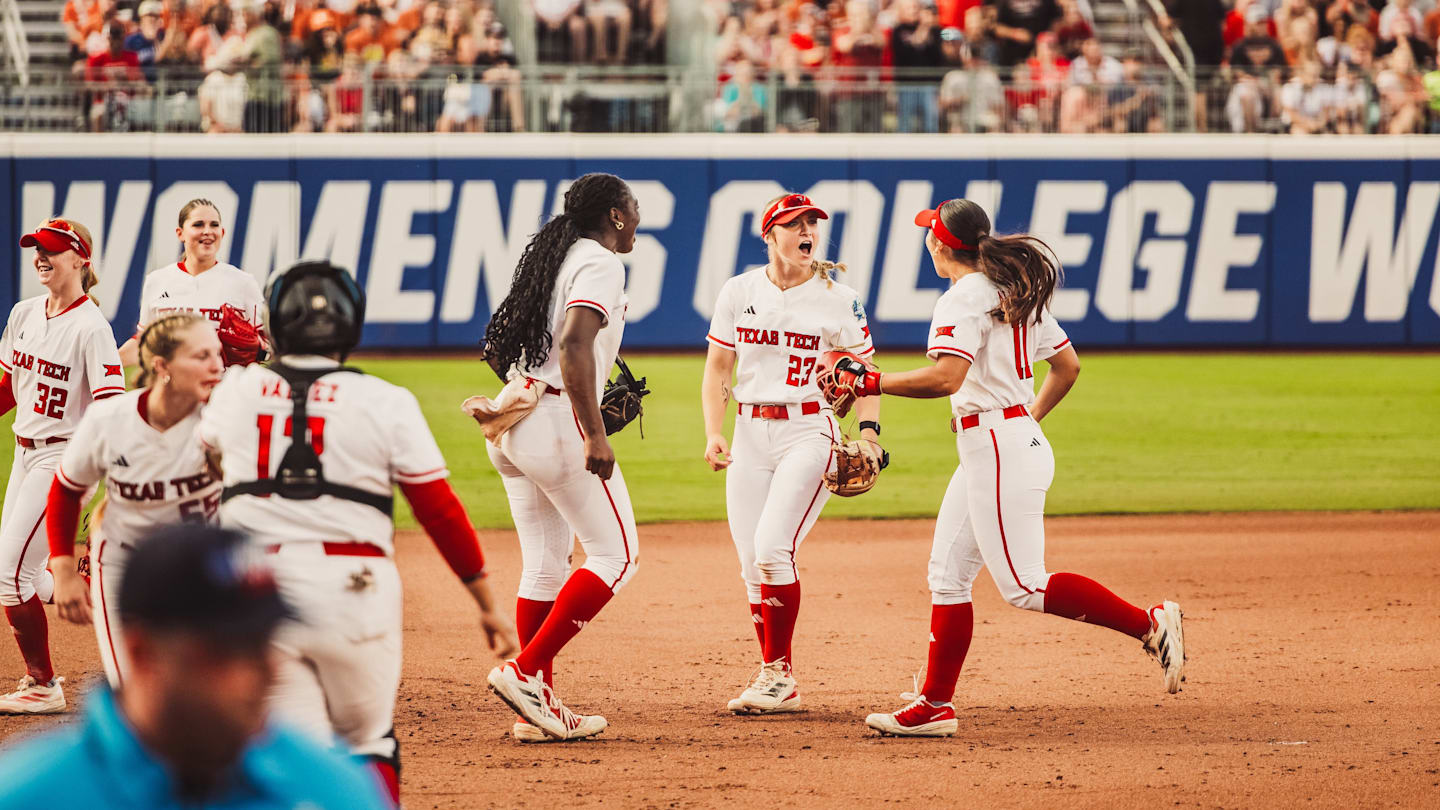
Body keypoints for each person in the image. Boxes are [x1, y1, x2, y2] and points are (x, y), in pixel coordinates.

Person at [815, 199, 1186, 737]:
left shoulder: (962, 299)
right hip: (1000, 442)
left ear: (942, 245)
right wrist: (1023, 417)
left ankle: (1150, 623)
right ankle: (935, 705)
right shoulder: (1012, 291)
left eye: (929, 234)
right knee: (947, 575)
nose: (927, 242)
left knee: (1023, 585)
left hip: (998, 448)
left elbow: (946, 377)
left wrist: (872, 381)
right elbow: (1068, 365)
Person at [198, 260, 518, 801]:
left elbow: (211, 464)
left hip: (256, 593)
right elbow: (437, 509)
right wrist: (485, 602)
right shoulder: (385, 400)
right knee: (366, 742)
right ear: (352, 323)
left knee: (290, 752)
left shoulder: (236, 390)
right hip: (353, 588)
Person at [0, 524, 392, 809]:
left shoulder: (336, 790)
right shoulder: (28, 794)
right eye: (228, 652)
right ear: (141, 653)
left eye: (264, 643)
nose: (267, 673)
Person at [700, 193, 880, 715]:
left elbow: (867, 376)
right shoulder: (739, 291)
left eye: (812, 224)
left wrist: (868, 434)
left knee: (773, 547)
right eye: (795, 224)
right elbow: (717, 370)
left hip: (808, 429)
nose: (808, 232)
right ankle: (774, 675)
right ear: (770, 234)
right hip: (750, 433)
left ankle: (777, 675)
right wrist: (714, 432)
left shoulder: (837, 298)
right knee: (750, 563)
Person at [480, 172, 641, 742]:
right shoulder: (599, 260)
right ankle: (524, 672)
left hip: (515, 417)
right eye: (633, 207)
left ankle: (536, 705)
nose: (637, 218)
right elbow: (575, 344)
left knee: (545, 564)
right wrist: (593, 432)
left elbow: (498, 344)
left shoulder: (554, 255)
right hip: (554, 425)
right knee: (617, 556)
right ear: (616, 215)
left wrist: (533, 386)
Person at [46, 312, 225, 688]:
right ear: (162, 366)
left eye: (218, 354)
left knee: (204, 686)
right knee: (132, 689)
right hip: (123, 562)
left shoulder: (224, 419)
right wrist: (62, 569)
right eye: (202, 356)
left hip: (201, 566)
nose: (218, 366)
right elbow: (67, 487)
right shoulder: (109, 420)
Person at [0, 219, 124, 715]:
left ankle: (42, 684)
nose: (41, 258)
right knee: (24, 570)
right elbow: (9, 387)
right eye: (36, 249)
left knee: (7, 577)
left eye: (52, 250)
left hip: (64, 456)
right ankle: (92, 586)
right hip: (24, 453)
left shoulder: (92, 328)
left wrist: (110, 478)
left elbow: (111, 409)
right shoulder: (24, 312)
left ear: (81, 260)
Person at [117, 199, 264, 369]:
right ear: (180, 233)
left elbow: (270, 344)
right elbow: (144, 343)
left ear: (222, 233)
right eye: (198, 225)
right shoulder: (157, 281)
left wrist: (259, 350)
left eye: (214, 225)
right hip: (172, 389)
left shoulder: (243, 283)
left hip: (224, 390)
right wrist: (105, 363)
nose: (207, 231)